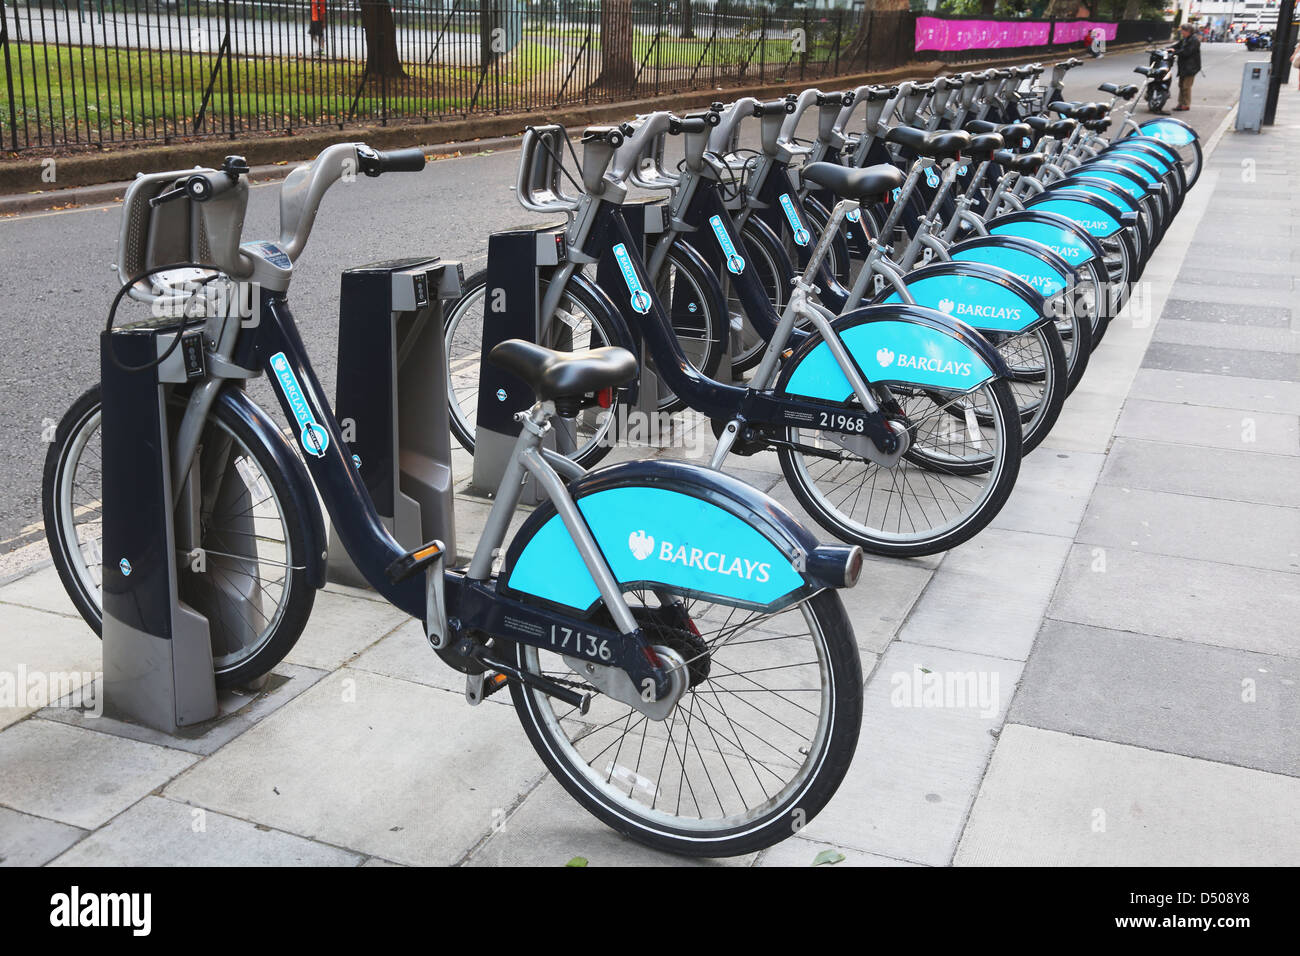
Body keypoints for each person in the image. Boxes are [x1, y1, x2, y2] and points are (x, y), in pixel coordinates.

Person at [1170, 23, 1201, 112]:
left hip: (1191, 67)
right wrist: (1168, 49)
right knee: (1181, 85)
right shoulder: (1185, 39)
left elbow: (1187, 52)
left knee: (1186, 86)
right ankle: (1181, 103)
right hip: (1184, 67)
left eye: (1182, 30)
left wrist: (1174, 52)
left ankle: (1186, 104)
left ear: (1188, 31)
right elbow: (1176, 46)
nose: (1181, 32)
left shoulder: (1194, 40)